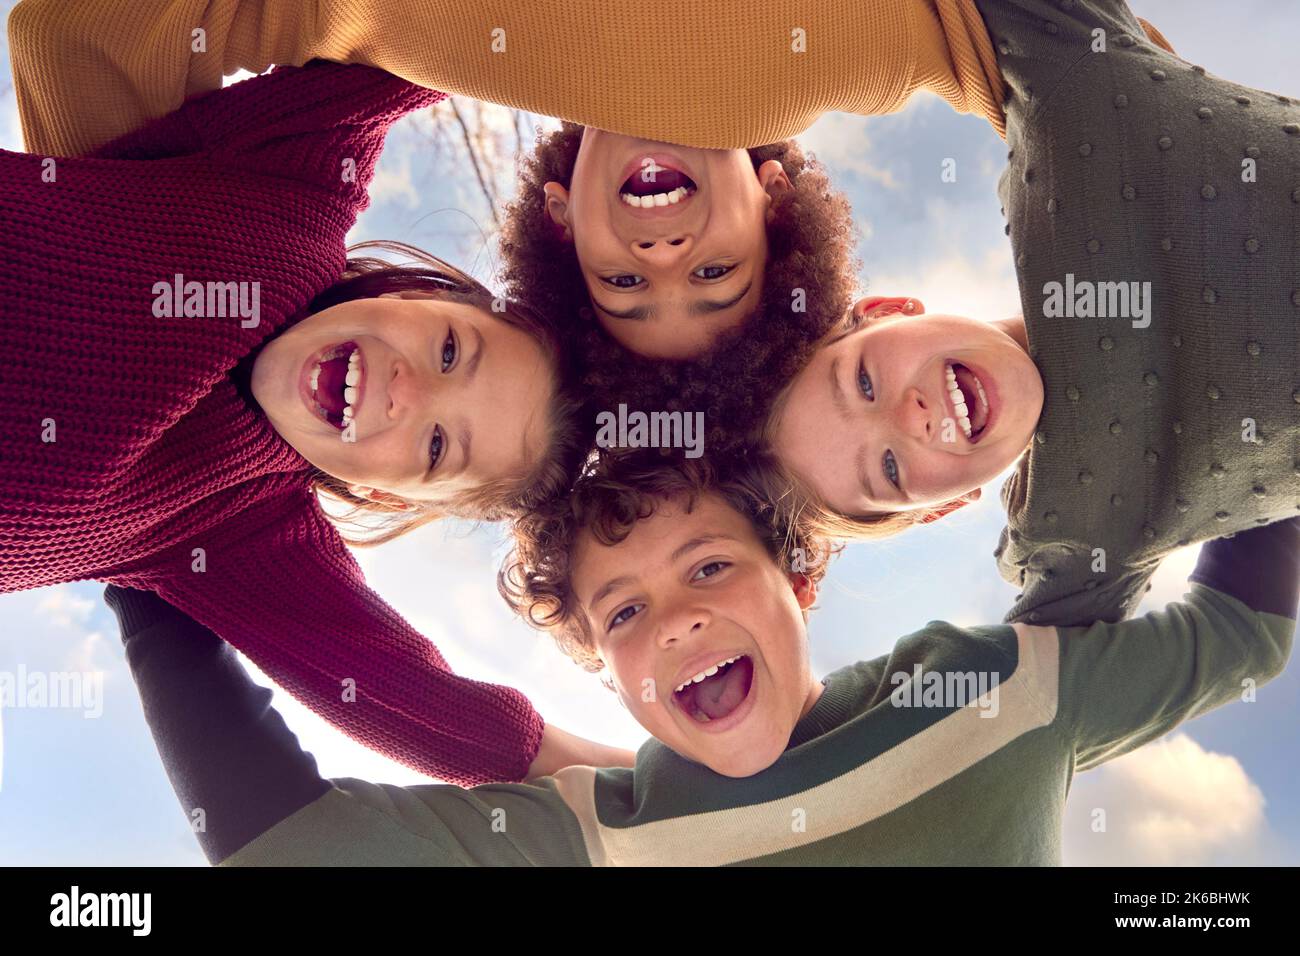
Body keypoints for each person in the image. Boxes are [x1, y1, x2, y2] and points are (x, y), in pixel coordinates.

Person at [108, 454, 1296, 864]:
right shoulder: (603, 831)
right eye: (621, 616)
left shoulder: (990, 692)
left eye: (710, 568)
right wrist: (140, 559)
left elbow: (1247, 625)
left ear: (801, 579)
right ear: (606, 672)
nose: (670, 620)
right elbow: (279, 840)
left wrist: (1245, 387)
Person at [0, 55, 628, 788]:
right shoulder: (292, 192)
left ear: (393, 496)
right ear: (423, 294)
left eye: (434, 446)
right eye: (452, 350)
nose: (406, 390)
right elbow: (451, 35)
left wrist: (720, 804)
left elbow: (461, 727)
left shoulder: (241, 536)